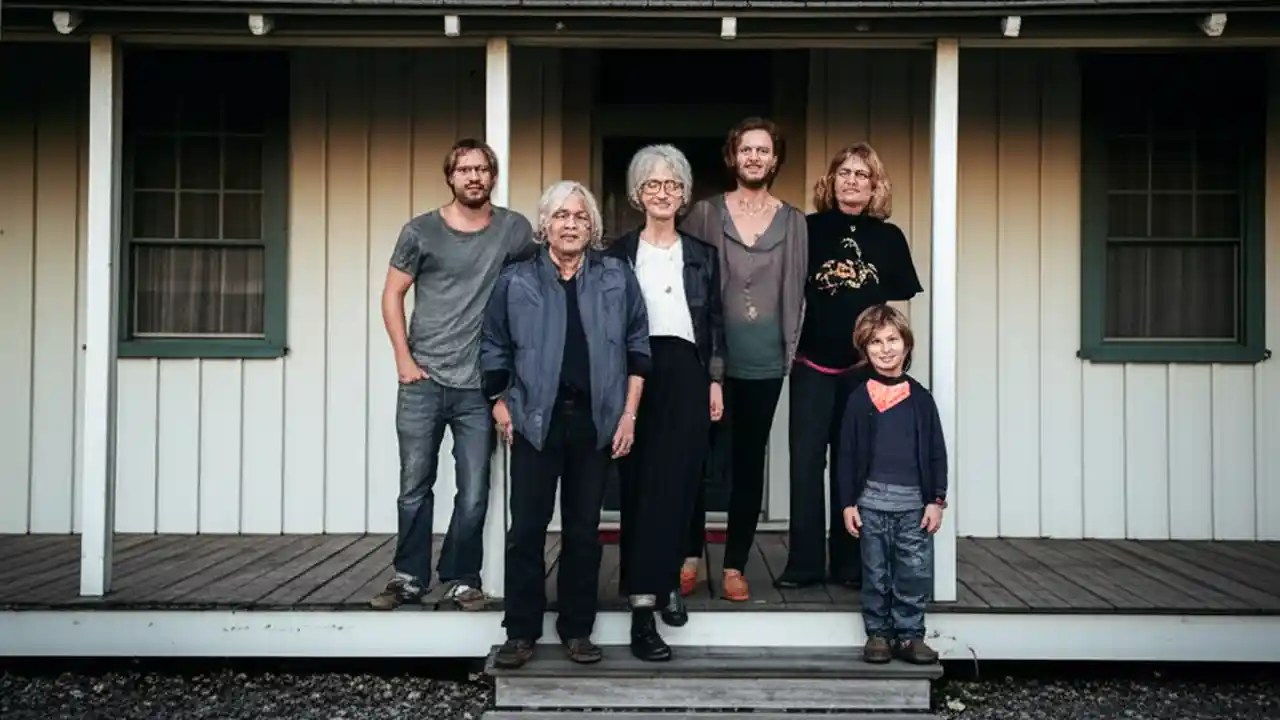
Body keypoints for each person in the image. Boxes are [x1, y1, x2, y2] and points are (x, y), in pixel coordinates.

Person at [482, 181, 650, 669]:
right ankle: (520, 632)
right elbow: (493, 343)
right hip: (536, 421)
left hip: (595, 423)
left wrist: (628, 413)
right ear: (545, 226)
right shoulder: (517, 281)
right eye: (561, 216)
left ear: (592, 226)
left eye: (580, 216)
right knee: (527, 530)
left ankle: (577, 630)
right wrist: (498, 402)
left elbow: (638, 344)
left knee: (583, 532)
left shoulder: (616, 276)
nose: (570, 224)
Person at [373, 138, 536, 612]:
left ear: (493, 176)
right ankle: (408, 577)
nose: (474, 177)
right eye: (464, 169)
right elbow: (391, 295)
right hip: (423, 381)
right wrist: (404, 360)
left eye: (482, 169)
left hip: (478, 388)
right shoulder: (420, 231)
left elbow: (537, 283)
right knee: (414, 485)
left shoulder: (513, 230)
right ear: (450, 177)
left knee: (474, 493)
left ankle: (463, 577)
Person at [776, 142, 923, 590]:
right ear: (831, 181)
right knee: (804, 462)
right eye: (844, 173)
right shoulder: (808, 228)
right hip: (811, 363)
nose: (852, 181)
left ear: (875, 185)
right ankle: (803, 563)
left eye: (862, 174)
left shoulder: (888, 237)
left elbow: (895, 303)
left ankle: (849, 563)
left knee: (853, 463)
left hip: (863, 370)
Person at [678, 117, 807, 602]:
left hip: (765, 362)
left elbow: (799, 290)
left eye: (764, 150)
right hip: (706, 359)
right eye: (746, 149)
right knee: (697, 459)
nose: (755, 157)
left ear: (775, 159)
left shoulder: (793, 221)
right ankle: (689, 555)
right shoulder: (706, 214)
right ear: (733, 157)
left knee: (749, 465)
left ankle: (734, 564)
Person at [606, 145, 725, 661]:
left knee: (681, 483)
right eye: (652, 184)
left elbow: (715, 325)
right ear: (637, 194)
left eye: (672, 185)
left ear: (684, 194)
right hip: (634, 373)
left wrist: (715, 381)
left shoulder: (702, 254)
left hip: (687, 372)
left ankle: (672, 575)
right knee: (638, 486)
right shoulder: (615, 255)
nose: (662, 193)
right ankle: (642, 606)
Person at [837, 304, 946, 665]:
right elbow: (847, 454)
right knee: (876, 573)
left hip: (913, 506)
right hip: (870, 505)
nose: (885, 349)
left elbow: (935, 452)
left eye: (892, 340)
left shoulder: (921, 400)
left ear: (907, 344)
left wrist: (936, 500)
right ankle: (879, 634)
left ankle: (911, 635)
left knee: (913, 573)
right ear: (864, 350)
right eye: (875, 342)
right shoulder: (858, 398)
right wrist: (848, 503)